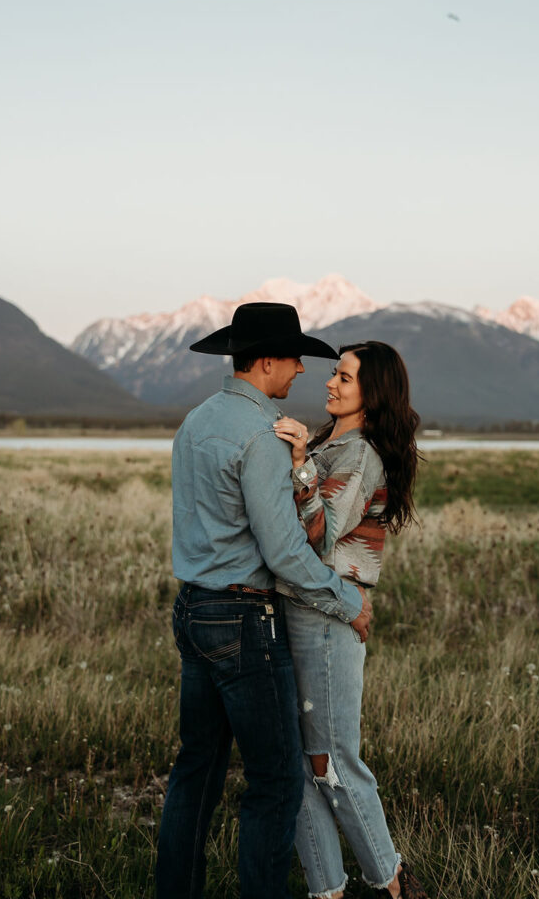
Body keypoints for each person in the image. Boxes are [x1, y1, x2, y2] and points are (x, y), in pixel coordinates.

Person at [155, 303, 373, 899]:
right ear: (269, 361)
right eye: (296, 359)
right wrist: (343, 598)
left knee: (195, 771)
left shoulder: (195, 421)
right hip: (245, 621)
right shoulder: (261, 433)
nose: (303, 371)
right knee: (276, 782)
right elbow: (282, 552)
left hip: (192, 610)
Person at [273, 341, 427, 899]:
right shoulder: (322, 441)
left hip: (327, 620)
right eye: (334, 373)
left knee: (332, 758)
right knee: (300, 765)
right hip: (297, 612)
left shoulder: (360, 454)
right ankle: (327, 890)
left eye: (346, 376)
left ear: (374, 391)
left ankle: (392, 884)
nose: (332, 383)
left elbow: (322, 536)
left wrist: (298, 470)